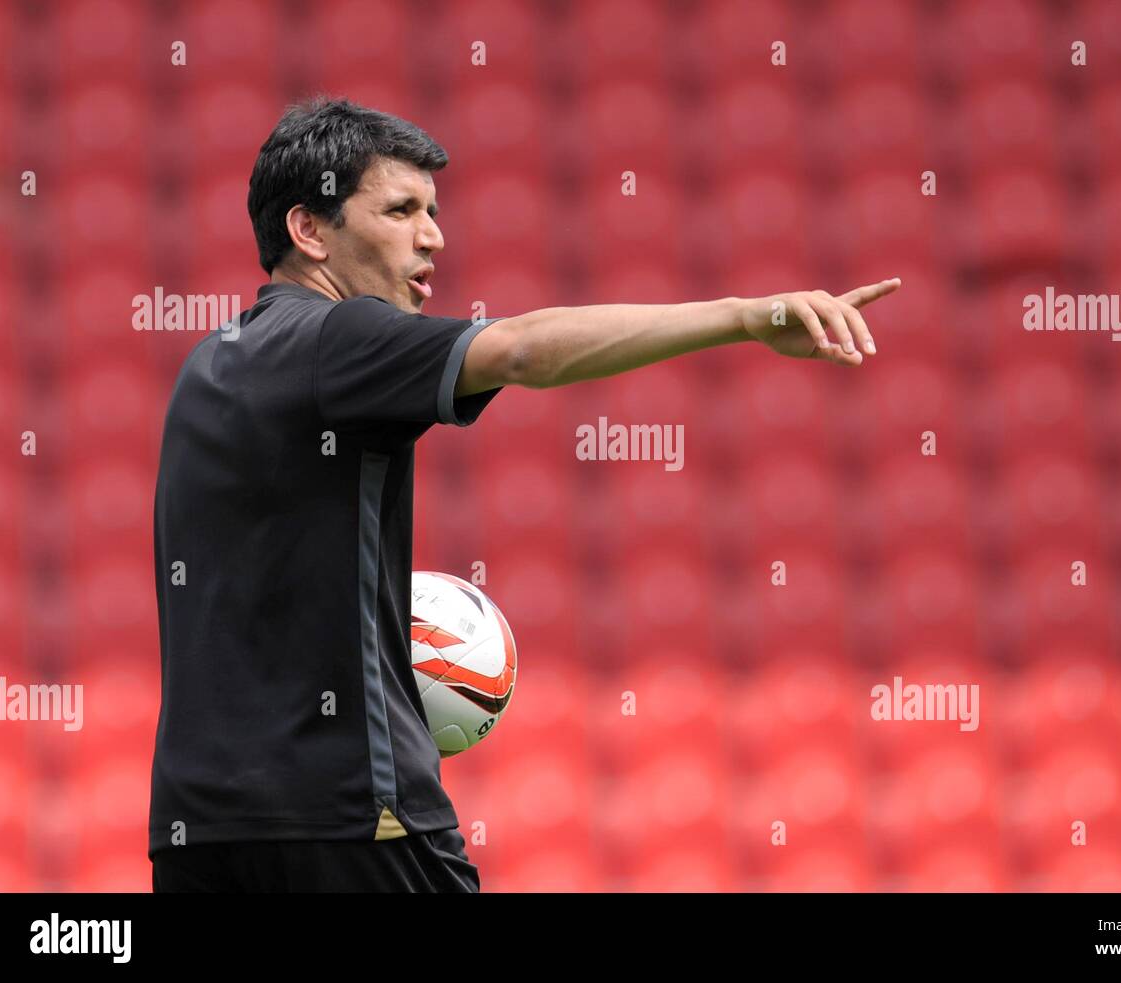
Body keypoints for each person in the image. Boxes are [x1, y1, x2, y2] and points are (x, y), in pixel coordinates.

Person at [148, 97, 900, 893]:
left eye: (433, 211)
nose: (432, 235)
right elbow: (522, 350)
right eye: (400, 210)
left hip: (199, 835)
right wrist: (746, 315)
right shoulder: (340, 336)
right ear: (308, 230)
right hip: (352, 822)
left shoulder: (204, 369)